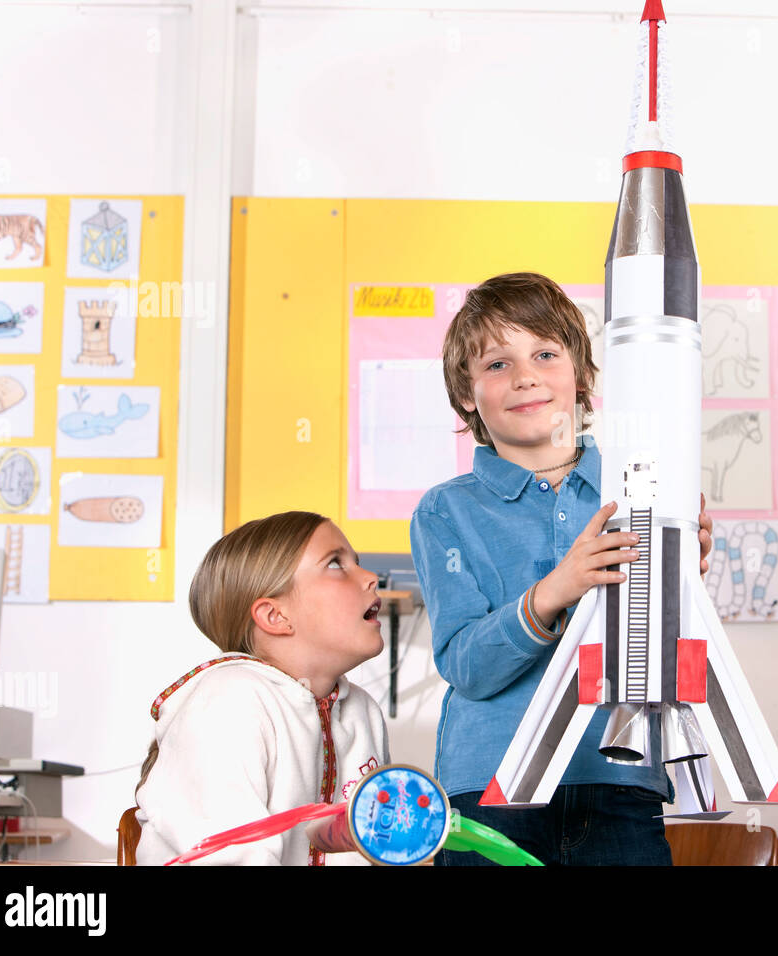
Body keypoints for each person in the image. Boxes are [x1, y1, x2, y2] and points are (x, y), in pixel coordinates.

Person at [410, 272, 712, 866]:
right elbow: (466, 666)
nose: (525, 376)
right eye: (497, 364)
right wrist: (552, 592)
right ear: (467, 396)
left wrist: (682, 580)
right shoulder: (445, 510)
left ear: (580, 377)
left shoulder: (640, 487)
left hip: (619, 781)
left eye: (545, 354)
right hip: (488, 791)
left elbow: (666, 649)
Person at [135, 511, 391, 865]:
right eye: (335, 564)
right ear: (276, 616)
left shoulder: (362, 712)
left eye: (356, 562)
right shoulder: (230, 701)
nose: (370, 578)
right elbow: (230, 856)